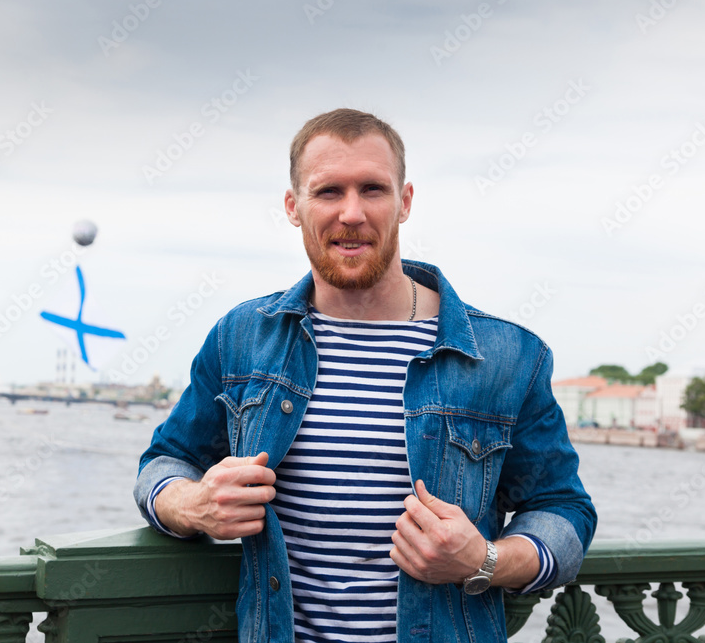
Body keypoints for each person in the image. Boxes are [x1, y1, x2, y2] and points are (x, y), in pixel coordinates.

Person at [135, 108, 596, 643]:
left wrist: (484, 560)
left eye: (372, 189)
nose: (351, 213)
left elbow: (563, 509)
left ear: (404, 202)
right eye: (329, 191)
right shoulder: (241, 338)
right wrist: (190, 505)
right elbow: (162, 463)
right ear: (293, 206)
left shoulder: (508, 357)